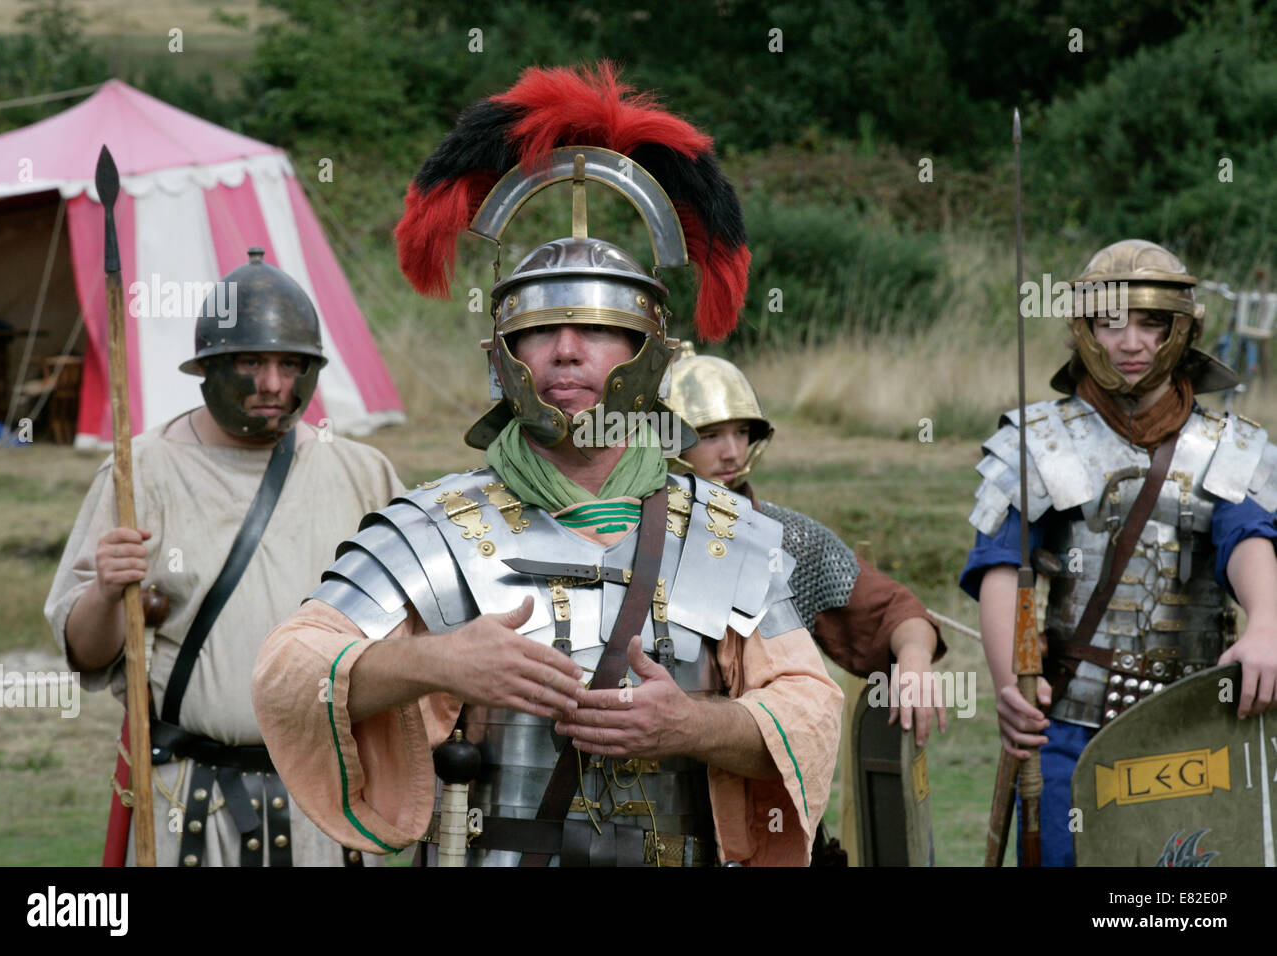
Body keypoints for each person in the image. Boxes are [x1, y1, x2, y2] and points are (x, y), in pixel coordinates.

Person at [251, 65, 843, 867]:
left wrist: (694, 725)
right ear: (502, 357)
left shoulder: (726, 532)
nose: (566, 351)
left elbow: (809, 708)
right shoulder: (430, 529)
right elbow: (288, 672)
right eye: (541, 330)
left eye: (595, 330)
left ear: (646, 354)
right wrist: (431, 662)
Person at [44, 249, 403, 866]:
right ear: (208, 368)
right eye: (250, 362)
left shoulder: (362, 473)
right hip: (189, 808)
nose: (271, 384)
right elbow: (87, 652)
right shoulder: (140, 472)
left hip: (325, 804)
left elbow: (413, 640)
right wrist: (106, 592)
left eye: (290, 365)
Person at [960, 238, 1277, 866]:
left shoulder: (1230, 445)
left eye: (1149, 324)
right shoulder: (1037, 440)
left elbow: (1247, 536)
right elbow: (1001, 563)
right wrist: (1009, 688)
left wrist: (1267, 624)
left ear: (1180, 331)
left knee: (1189, 896)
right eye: (1110, 323)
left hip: (1199, 722)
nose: (1129, 342)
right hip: (1070, 725)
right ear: (1085, 329)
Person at [667, 343, 947, 745]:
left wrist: (915, 658)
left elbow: (894, 611)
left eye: (742, 432)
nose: (732, 453)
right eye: (710, 435)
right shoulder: (625, 530)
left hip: (752, 764)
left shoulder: (785, 536)